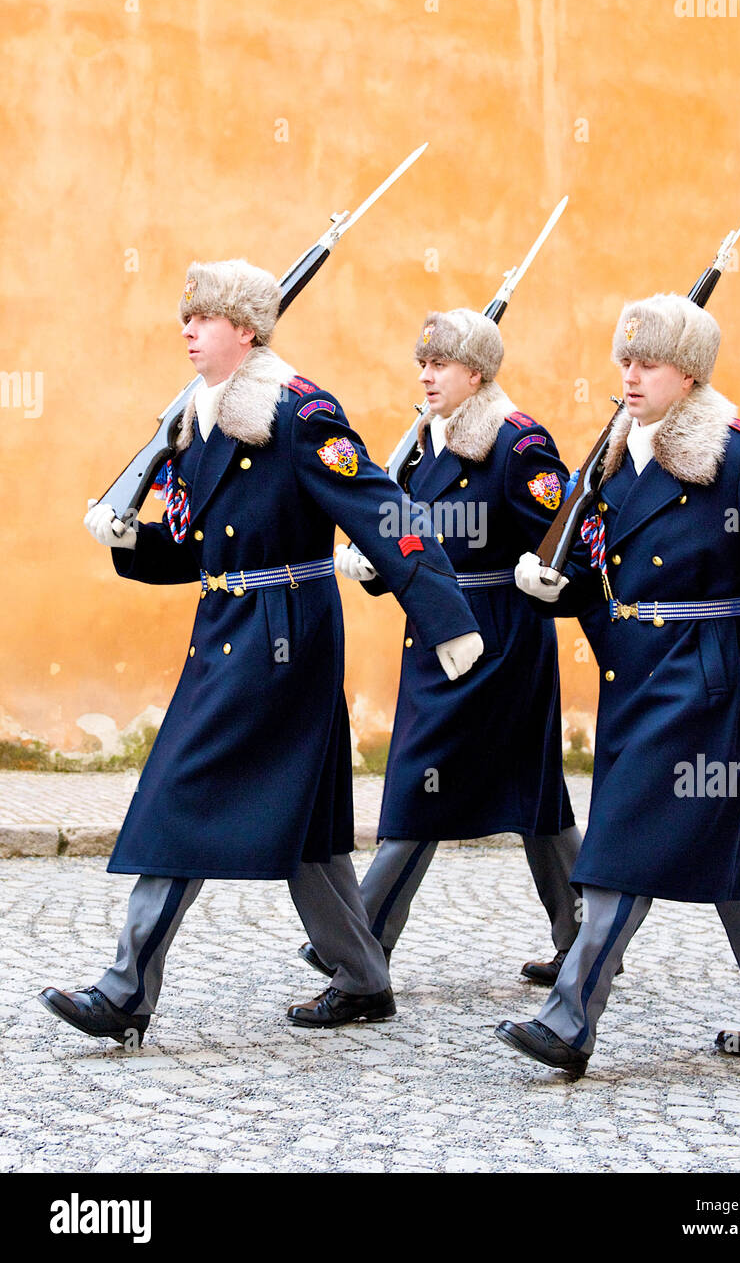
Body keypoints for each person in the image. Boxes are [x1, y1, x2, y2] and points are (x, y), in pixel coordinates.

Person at [39, 259, 483, 1047]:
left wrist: (446, 614)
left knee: (184, 793)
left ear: (244, 329)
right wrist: (129, 537)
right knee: (306, 827)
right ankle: (363, 976)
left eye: (204, 317)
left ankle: (124, 991)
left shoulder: (298, 410)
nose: (187, 328)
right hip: (226, 628)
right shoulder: (197, 418)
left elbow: (383, 511)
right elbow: (198, 545)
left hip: (282, 634)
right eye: (187, 316)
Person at [495, 292, 740, 1076]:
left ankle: (569, 1021)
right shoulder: (616, 453)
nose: (629, 375)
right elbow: (602, 571)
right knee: (736, 853)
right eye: (622, 361)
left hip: (706, 679)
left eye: (648, 363)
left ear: (690, 375)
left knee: (622, 841)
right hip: (635, 671)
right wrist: (550, 587)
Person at [300, 307, 583, 983]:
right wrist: (376, 566)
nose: (424, 374)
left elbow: (568, 532)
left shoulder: (517, 444)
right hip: (436, 628)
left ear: (477, 373)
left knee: (418, 784)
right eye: (421, 362)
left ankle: (362, 940)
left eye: (440, 364)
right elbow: (406, 530)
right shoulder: (427, 443)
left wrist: (543, 574)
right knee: (535, 796)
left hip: (496, 640)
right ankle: (585, 935)